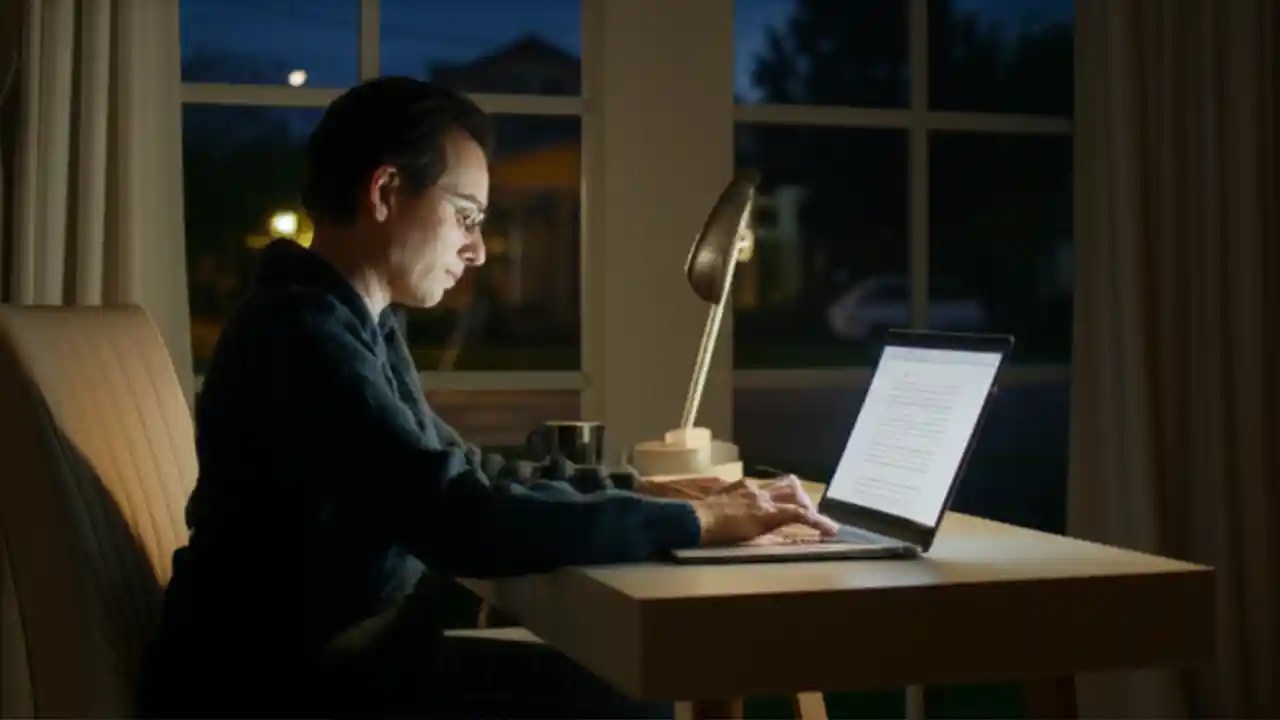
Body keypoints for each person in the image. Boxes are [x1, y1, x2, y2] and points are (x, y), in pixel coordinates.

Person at [140, 76, 836, 719]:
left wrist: (654, 496)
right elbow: (459, 517)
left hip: (342, 662)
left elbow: (466, 471)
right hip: (284, 688)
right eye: (467, 215)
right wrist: (697, 526)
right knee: (628, 700)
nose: (476, 249)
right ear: (385, 192)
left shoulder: (351, 319)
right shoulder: (301, 333)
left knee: (627, 689)